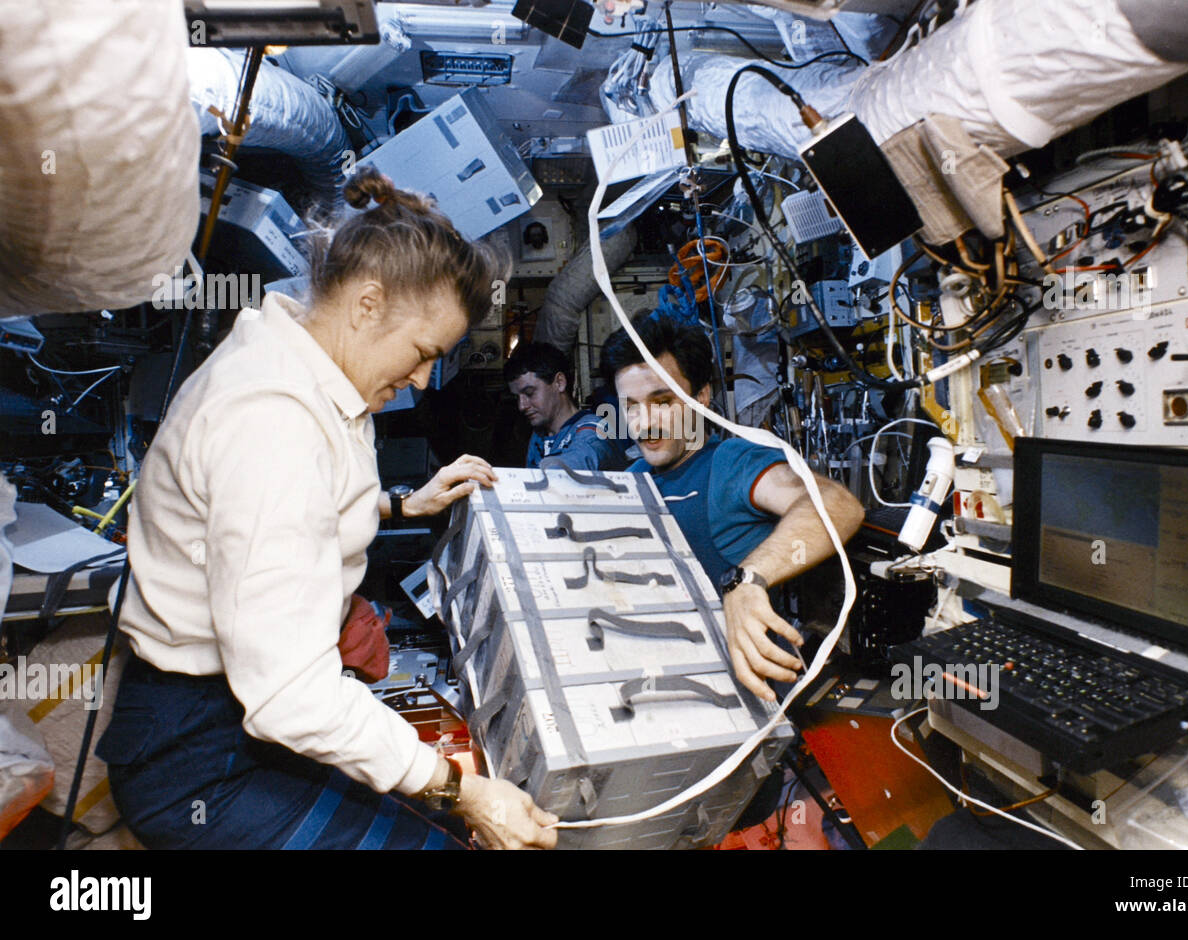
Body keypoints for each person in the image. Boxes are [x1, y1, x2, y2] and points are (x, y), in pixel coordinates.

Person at [94, 167, 557, 850]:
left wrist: (401, 506)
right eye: (425, 352)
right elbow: (288, 697)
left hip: (238, 717)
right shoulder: (273, 419)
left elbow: (293, 509)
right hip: (201, 757)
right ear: (368, 305)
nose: (425, 379)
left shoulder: (302, 369)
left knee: (422, 812)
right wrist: (466, 790)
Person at [601, 311, 865, 702]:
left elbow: (838, 505)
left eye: (662, 401)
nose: (643, 424)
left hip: (739, 702)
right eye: (632, 406)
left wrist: (749, 580)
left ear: (701, 398)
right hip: (658, 690)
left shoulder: (730, 462)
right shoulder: (633, 476)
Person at [504, 341, 626, 471]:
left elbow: (569, 468)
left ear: (559, 382)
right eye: (517, 397)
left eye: (529, 393)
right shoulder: (539, 434)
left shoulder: (592, 434)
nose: (522, 406)